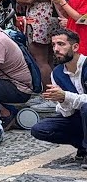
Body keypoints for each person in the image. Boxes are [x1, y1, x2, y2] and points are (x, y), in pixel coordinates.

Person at [30, 28, 87, 167]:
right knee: (40, 129)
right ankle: (82, 145)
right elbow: (67, 113)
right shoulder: (57, 73)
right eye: (54, 45)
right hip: (78, 118)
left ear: (75, 47)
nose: (56, 49)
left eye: (61, 44)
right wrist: (61, 100)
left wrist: (66, 95)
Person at [19, 0, 56, 83]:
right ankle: (54, 87)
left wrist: (18, 0)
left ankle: (46, 91)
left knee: (40, 59)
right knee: (50, 57)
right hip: (52, 13)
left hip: (37, 16)